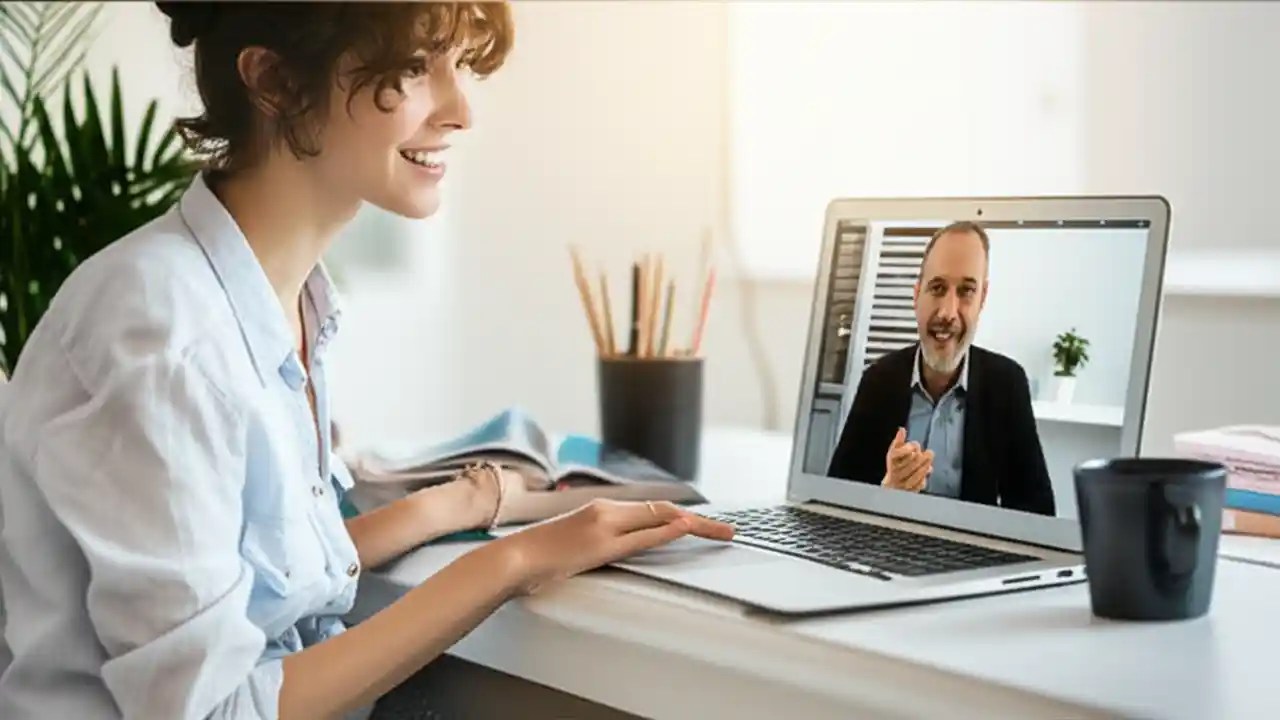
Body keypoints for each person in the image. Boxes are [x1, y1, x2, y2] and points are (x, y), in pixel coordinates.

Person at [0, 3, 734, 719]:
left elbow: (267, 576)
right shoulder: (161, 334)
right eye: (415, 66)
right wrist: (511, 562)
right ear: (276, 82)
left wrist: (465, 502)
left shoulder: (282, 301)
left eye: (458, 64)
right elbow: (217, 709)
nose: (460, 112)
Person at [826, 221, 1055, 516]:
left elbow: (1037, 513)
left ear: (982, 299)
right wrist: (888, 492)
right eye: (937, 288)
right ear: (916, 295)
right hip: (887, 550)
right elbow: (835, 505)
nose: (948, 312)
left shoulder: (1008, 383)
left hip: (972, 558)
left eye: (966, 291)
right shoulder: (878, 379)